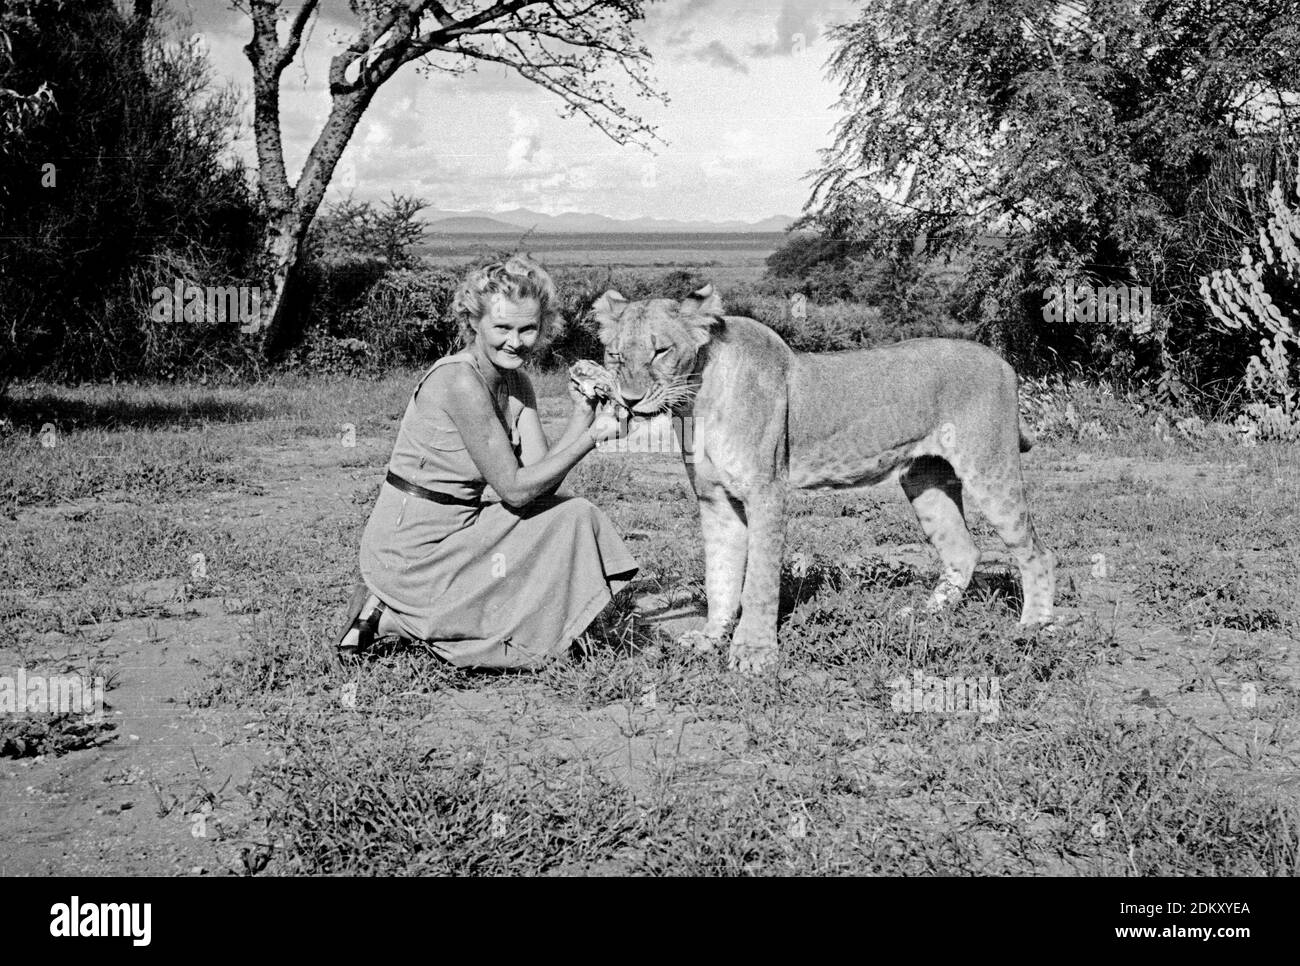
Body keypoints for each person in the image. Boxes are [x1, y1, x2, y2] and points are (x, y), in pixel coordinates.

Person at [332, 254, 637, 668]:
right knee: (491, 621)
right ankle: (391, 611)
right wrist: (591, 440)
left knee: (574, 514)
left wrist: (583, 415)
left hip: (463, 527)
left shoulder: (516, 381)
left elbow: (539, 481)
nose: (516, 341)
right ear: (473, 322)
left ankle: (414, 614)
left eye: (528, 328)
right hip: (412, 549)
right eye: (503, 328)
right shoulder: (459, 380)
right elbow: (514, 488)